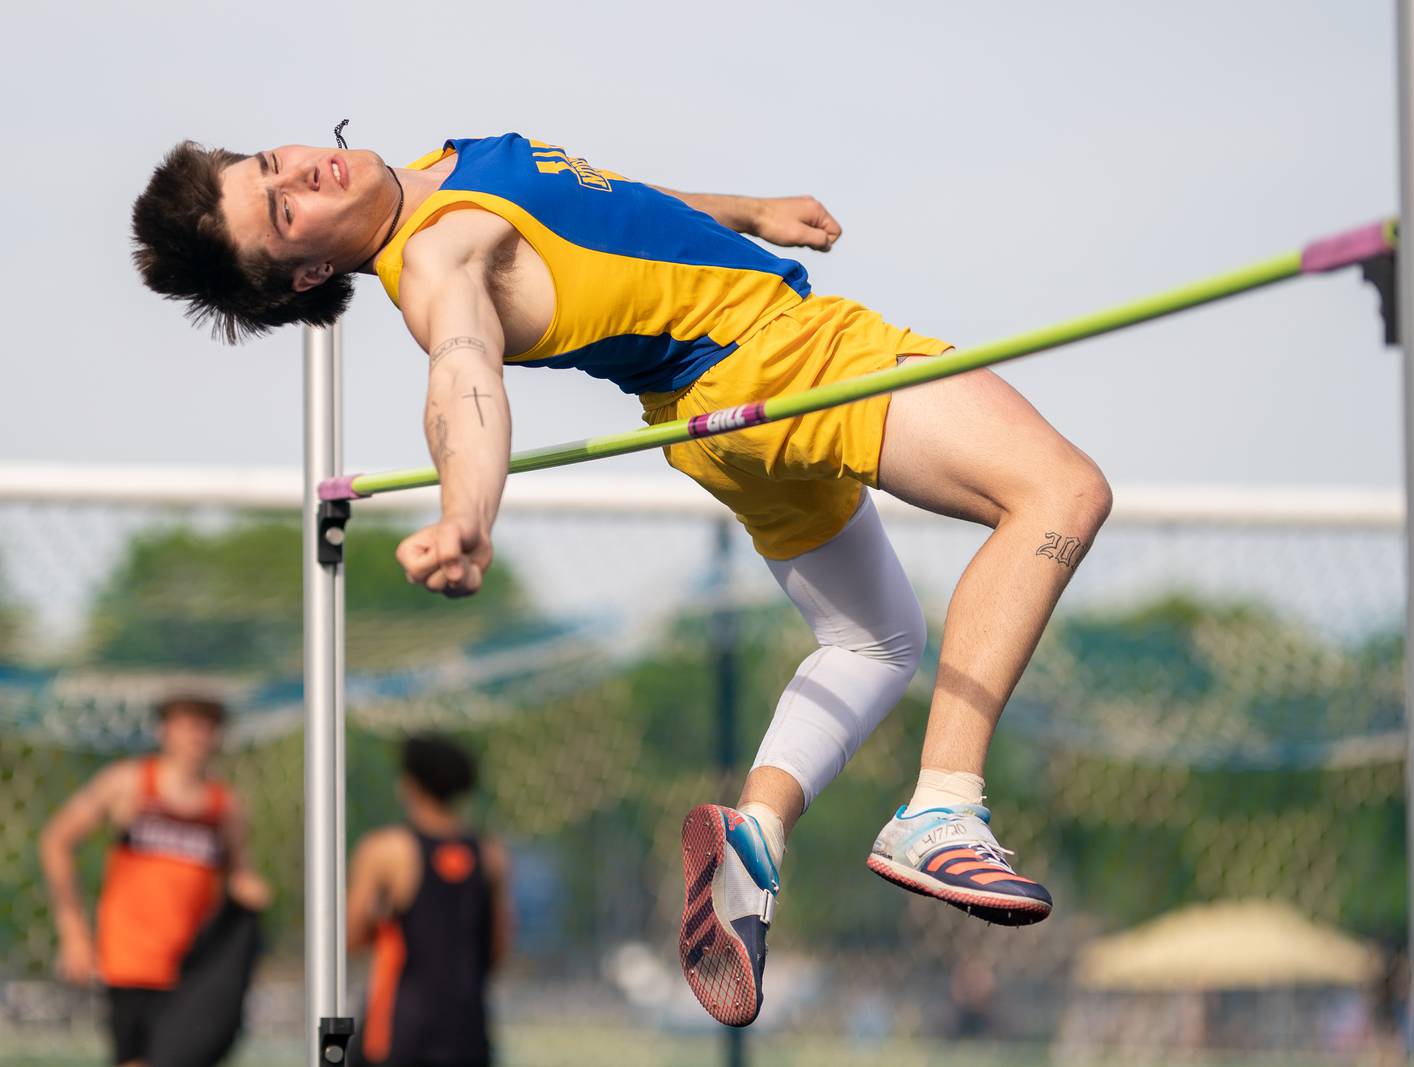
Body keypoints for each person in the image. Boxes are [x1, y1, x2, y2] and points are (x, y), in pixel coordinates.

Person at [130, 127, 1114, 1026]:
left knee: (871, 641)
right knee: (1057, 493)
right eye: (285, 211)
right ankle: (940, 803)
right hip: (782, 360)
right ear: (307, 271)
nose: (301, 174)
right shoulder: (435, 260)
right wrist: (467, 513)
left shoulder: (442, 162)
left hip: (720, 411)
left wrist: (744, 212)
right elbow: (463, 375)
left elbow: (607, 198)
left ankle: (756, 834)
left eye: (271, 164)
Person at [38, 695, 269, 1066]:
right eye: (190, 724)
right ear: (166, 729)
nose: (199, 736)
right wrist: (72, 929)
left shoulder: (224, 806)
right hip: (132, 958)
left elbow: (239, 877)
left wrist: (252, 894)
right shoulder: (128, 783)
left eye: (208, 727)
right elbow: (57, 840)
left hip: (193, 966)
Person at [346, 734, 512, 1067]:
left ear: (411, 784)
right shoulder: (490, 855)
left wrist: (382, 919)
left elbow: (349, 938)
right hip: (467, 1030)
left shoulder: (387, 851)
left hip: (399, 1031)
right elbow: (496, 951)